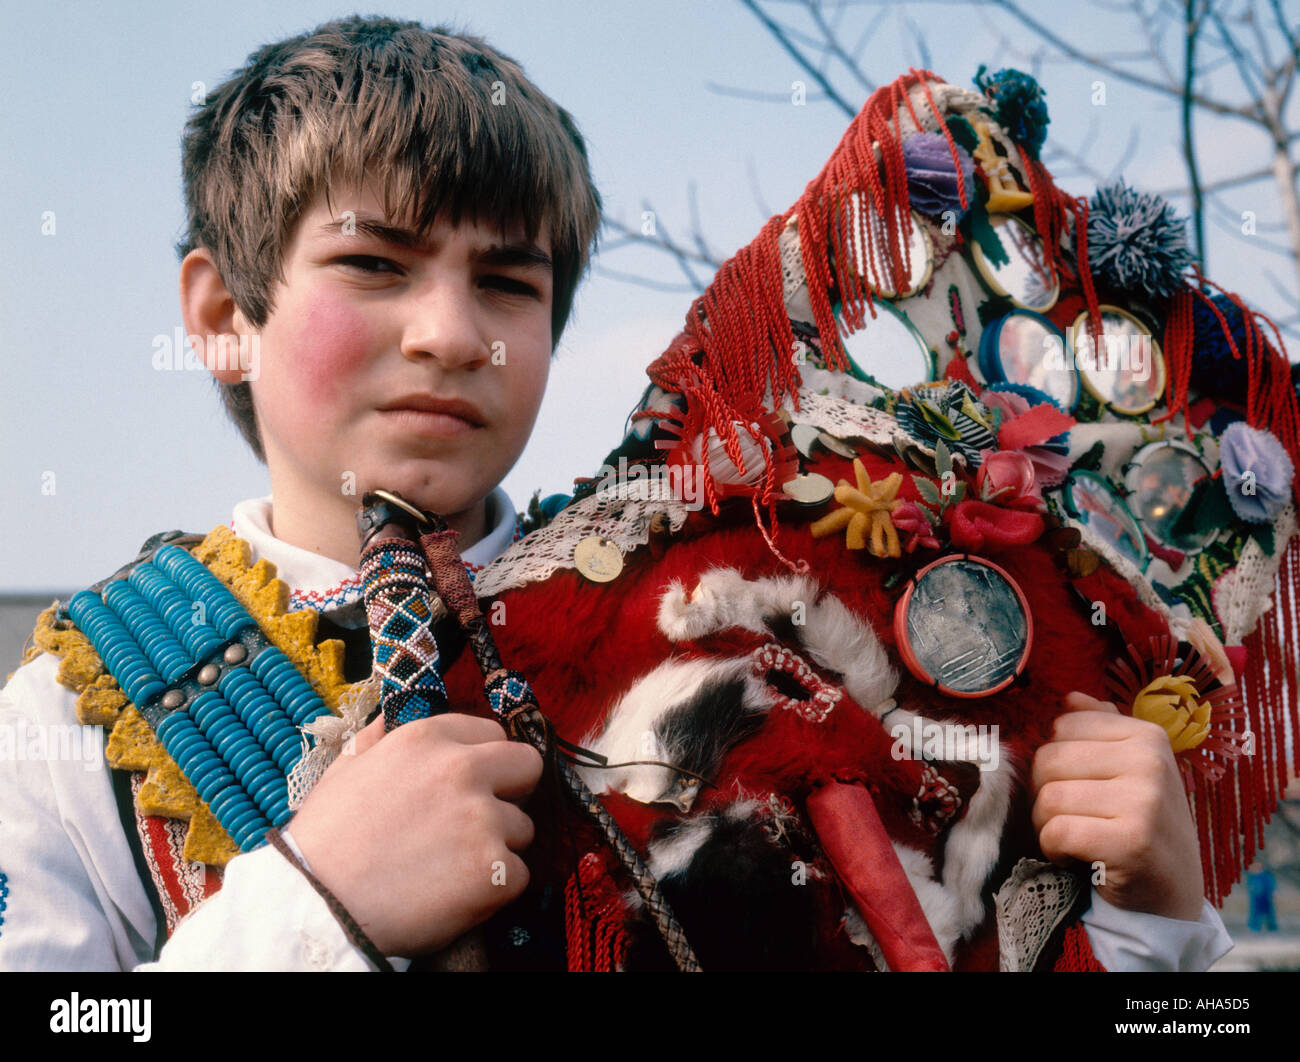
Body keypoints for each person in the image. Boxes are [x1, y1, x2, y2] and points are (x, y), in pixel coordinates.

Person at [0, 14, 1231, 972]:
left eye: (507, 282)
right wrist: (318, 911)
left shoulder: (715, 606)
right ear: (222, 315)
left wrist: (1159, 927)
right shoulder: (70, 712)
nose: (446, 331)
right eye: (373, 264)